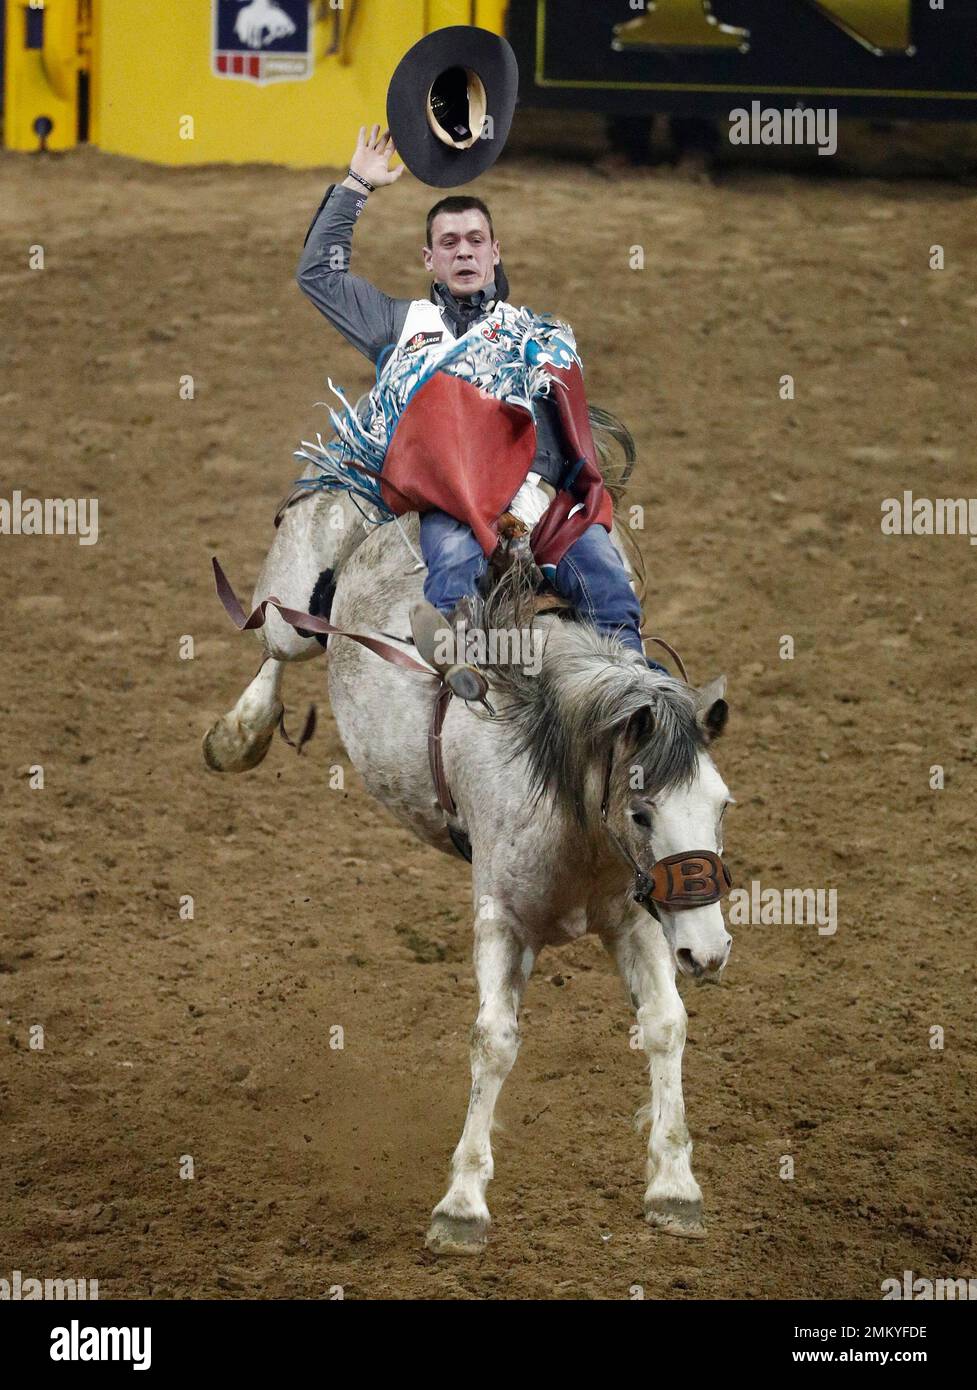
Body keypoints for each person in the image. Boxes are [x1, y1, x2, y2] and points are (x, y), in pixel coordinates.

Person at [296, 124, 657, 690]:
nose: (462, 250)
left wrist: (538, 494)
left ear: (494, 252)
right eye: (448, 242)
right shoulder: (398, 324)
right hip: (451, 499)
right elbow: (318, 274)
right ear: (429, 259)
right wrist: (357, 183)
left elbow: (563, 435)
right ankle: (457, 656)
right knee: (454, 560)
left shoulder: (536, 335)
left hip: (537, 503)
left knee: (610, 581)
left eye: (474, 239)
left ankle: (639, 692)